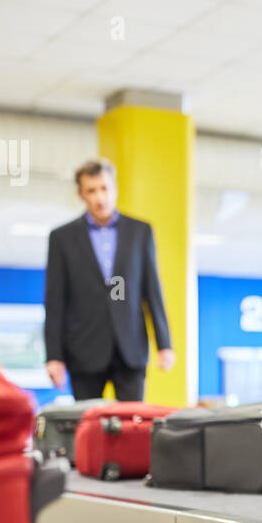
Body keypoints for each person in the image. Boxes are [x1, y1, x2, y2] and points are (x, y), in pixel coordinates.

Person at [43, 157, 174, 402]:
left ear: (114, 188)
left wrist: (164, 344)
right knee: (88, 428)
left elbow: (152, 290)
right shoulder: (62, 238)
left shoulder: (139, 232)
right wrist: (53, 356)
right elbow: (55, 301)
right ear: (81, 194)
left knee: (133, 426)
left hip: (131, 348)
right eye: (92, 190)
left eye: (105, 188)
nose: (100, 197)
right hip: (83, 350)